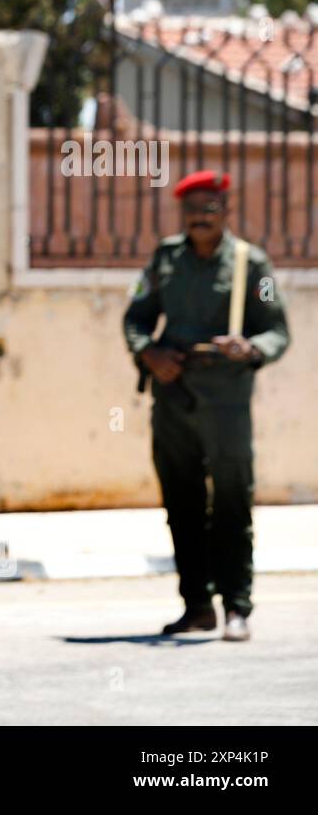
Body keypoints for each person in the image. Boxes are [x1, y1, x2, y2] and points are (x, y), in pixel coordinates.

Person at [124, 170, 290, 642]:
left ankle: (237, 605)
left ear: (226, 211)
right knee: (182, 502)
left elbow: (277, 329)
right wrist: (148, 352)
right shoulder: (165, 259)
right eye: (192, 207)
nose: (200, 216)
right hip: (173, 395)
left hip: (226, 400)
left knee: (234, 500)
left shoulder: (251, 265)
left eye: (209, 206)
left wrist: (250, 347)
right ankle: (197, 604)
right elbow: (136, 317)